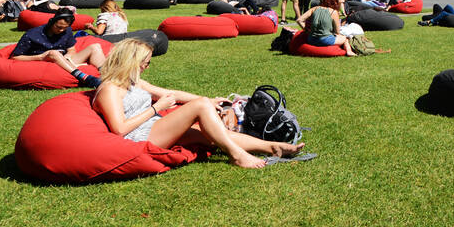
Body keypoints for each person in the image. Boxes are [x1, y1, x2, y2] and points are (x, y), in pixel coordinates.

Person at [93, 38, 302, 169]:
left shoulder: (133, 81)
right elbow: (120, 129)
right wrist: (157, 108)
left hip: (152, 126)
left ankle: (272, 147)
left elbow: (170, 93)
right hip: (139, 137)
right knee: (201, 107)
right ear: (131, 61)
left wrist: (210, 100)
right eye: (145, 62)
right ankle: (237, 156)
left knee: (212, 135)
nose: (147, 66)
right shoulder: (110, 89)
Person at [10, 10, 108, 87]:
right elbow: (15, 57)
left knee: (96, 47)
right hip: (43, 63)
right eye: (58, 27)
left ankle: (108, 76)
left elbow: (71, 49)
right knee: (53, 53)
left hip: (64, 62)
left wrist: (68, 56)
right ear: (52, 21)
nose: (61, 30)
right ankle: (86, 78)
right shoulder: (32, 34)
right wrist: (41, 57)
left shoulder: (67, 31)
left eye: (64, 28)